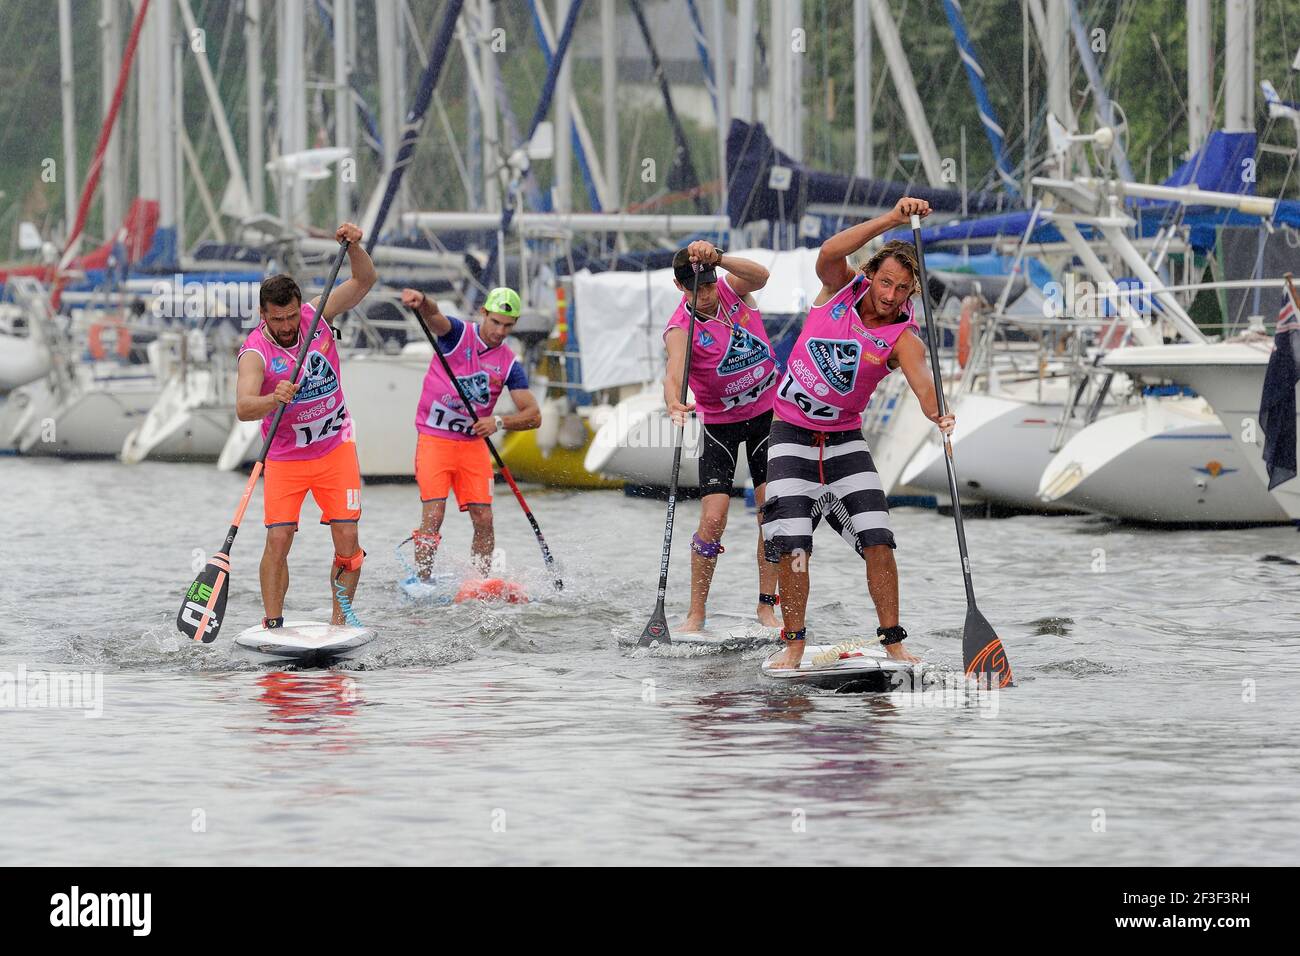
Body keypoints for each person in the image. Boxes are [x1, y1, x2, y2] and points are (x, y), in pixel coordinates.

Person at [762, 197, 955, 669]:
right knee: (793, 547)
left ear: (912, 294)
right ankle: (794, 646)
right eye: (885, 282)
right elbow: (829, 250)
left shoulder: (903, 337)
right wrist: (891, 219)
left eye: (902, 290)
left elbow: (925, 387)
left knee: (879, 541)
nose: (890, 296)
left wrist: (940, 414)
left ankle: (893, 641)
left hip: (845, 443)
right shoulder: (838, 290)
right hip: (790, 434)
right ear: (870, 275)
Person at [235, 222, 377, 629]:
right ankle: (274, 624)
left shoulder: (317, 315)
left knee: (348, 543)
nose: (287, 326)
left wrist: (354, 247)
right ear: (264, 314)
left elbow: (365, 280)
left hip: (336, 448)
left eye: (292, 315)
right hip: (285, 459)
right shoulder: (254, 353)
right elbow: (244, 408)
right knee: (279, 540)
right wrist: (270, 398)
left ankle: (340, 623)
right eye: (278, 319)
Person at [663, 241, 780, 630]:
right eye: (700, 290)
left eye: (711, 286)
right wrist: (673, 402)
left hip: (767, 414)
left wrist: (720, 257)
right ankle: (697, 613)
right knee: (714, 519)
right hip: (720, 426)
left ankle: (766, 606)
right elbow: (674, 373)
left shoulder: (733, 288)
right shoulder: (680, 328)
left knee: (770, 512)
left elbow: (762, 275)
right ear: (682, 289)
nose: (709, 295)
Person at [400, 286, 541, 578]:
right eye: (496, 322)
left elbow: (533, 415)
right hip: (435, 440)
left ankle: (480, 581)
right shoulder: (456, 334)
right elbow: (433, 315)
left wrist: (498, 421)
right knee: (434, 514)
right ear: (484, 314)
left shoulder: (509, 363)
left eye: (508, 325)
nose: (500, 331)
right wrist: (423, 300)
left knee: (484, 518)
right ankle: (422, 580)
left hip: (472, 445)